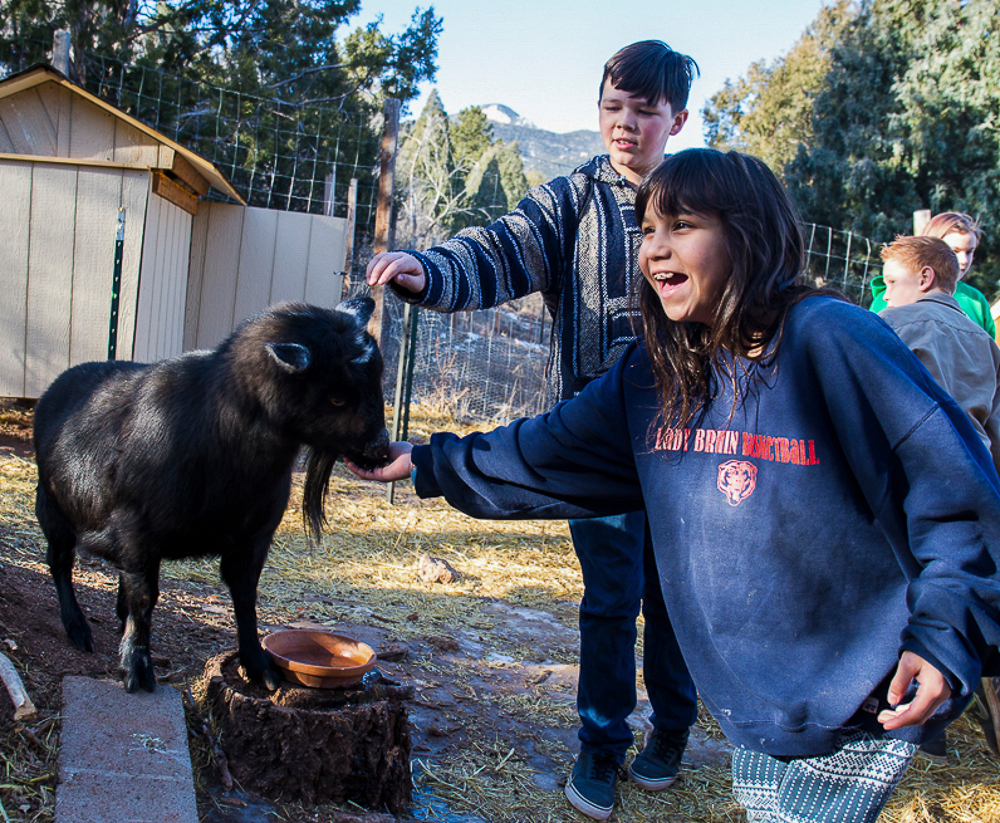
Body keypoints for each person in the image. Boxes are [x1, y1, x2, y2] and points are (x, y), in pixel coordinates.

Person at [352, 149, 1000, 823]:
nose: (656, 250)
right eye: (648, 230)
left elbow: (954, 491)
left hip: (863, 683)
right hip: (755, 699)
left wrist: (942, 633)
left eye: (682, 226)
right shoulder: (657, 370)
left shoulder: (832, 339)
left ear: (749, 232)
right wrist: (429, 461)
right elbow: (551, 451)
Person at [367, 40, 700, 820]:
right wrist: (432, 269)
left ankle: (674, 732)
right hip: (596, 446)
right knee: (611, 598)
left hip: (692, 444)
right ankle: (599, 745)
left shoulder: (698, 200)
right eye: (613, 108)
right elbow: (502, 247)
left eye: (645, 111)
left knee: (682, 594)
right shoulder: (571, 201)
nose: (625, 125)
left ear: (675, 118)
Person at [878, 234, 1000, 761]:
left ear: (924, 278)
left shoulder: (893, 327)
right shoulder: (983, 339)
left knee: (901, 598)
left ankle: (910, 719)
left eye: (891, 284)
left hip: (912, 484)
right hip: (971, 484)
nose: (886, 296)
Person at [869, 212, 995, 337]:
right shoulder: (889, 299)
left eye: (969, 252)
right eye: (954, 251)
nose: (964, 260)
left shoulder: (976, 300)